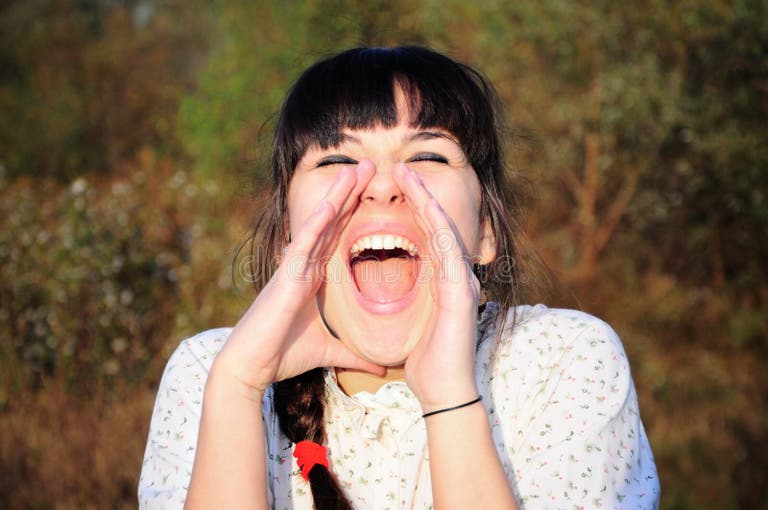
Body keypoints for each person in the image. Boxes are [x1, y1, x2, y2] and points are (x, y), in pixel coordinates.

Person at [138, 46, 660, 509]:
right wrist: (238, 386)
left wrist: (449, 396)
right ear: (285, 239)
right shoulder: (213, 373)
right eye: (339, 159)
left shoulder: (561, 362)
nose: (382, 186)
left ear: (484, 231)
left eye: (427, 156)